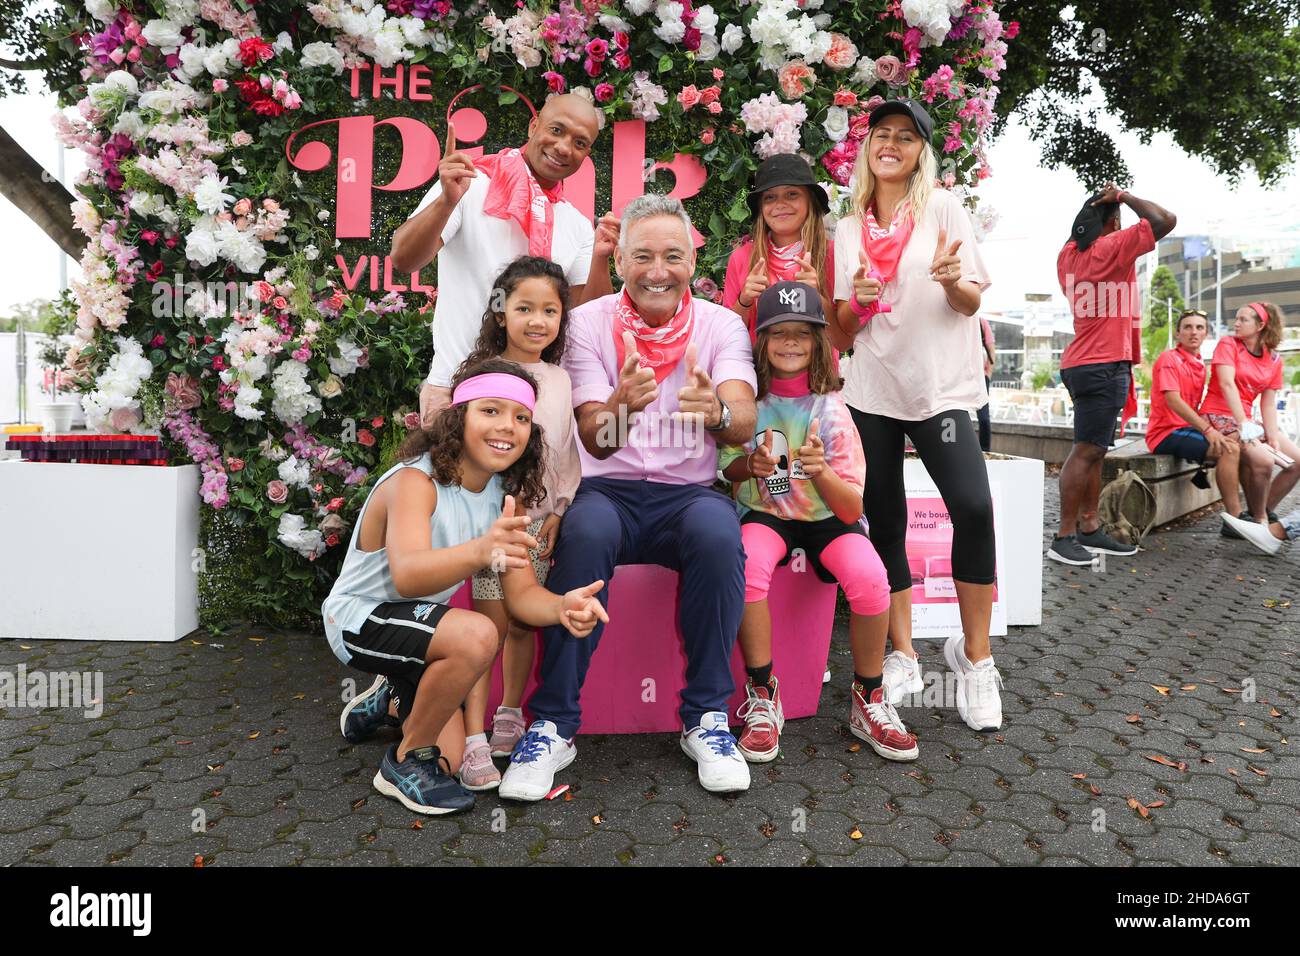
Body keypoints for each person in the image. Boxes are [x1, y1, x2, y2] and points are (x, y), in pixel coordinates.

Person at [497, 195, 759, 801]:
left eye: (673, 255)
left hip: (687, 494)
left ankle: (707, 719)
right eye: (642, 255)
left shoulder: (719, 325)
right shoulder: (588, 322)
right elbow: (597, 440)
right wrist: (623, 405)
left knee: (721, 536)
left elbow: (743, 421)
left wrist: (715, 410)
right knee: (584, 535)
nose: (657, 270)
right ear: (620, 263)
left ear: (695, 260)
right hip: (607, 491)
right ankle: (554, 724)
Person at [324, 359, 606, 815]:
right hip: (360, 619)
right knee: (478, 633)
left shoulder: (500, 496)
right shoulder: (416, 482)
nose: (507, 427)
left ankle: (389, 704)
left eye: (521, 417)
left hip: (420, 628)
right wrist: (481, 550)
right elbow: (409, 575)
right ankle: (403, 762)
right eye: (490, 411)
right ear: (458, 418)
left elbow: (521, 597)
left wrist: (561, 607)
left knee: (453, 761)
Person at [829, 98, 1002, 733]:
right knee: (886, 516)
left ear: (920, 152)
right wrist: (859, 303)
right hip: (872, 388)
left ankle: (975, 658)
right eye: (882, 134)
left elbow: (969, 301)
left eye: (905, 137)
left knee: (973, 507)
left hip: (943, 391)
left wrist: (955, 280)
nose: (891, 144)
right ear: (868, 147)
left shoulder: (943, 208)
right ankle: (901, 654)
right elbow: (841, 329)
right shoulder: (847, 228)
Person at [719, 282, 899, 763]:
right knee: (748, 563)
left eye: (803, 333)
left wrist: (819, 472)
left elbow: (849, 512)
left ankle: (869, 698)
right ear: (760, 341)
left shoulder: (832, 410)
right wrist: (748, 468)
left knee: (870, 579)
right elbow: (728, 469)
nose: (791, 342)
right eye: (779, 333)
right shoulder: (749, 404)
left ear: (820, 342)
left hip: (826, 519)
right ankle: (762, 695)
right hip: (768, 513)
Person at [389, 93, 620, 426]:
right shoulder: (470, 185)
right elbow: (403, 259)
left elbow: (585, 319)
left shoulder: (577, 225)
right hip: (456, 391)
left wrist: (601, 258)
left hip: (532, 402)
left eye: (580, 143)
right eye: (557, 130)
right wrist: (446, 203)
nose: (564, 147)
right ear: (533, 125)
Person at [445, 258, 583, 791]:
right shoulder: (481, 374)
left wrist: (560, 511)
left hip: (537, 524)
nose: (536, 321)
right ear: (502, 312)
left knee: (525, 622)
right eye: (524, 308)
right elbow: (458, 450)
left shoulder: (561, 380)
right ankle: (475, 735)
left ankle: (510, 713)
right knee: (488, 621)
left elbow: (567, 454)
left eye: (549, 310)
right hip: (491, 527)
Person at [1050, 182, 1176, 565]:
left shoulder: (1068, 255)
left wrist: (1091, 216)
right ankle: (1064, 537)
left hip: (1082, 363)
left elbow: (1081, 236)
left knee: (1093, 450)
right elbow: (1164, 220)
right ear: (1116, 222)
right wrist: (1121, 195)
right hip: (1103, 364)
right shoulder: (1112, 247)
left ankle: (1090, 527)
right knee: (1086, 451)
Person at [1201, 302, 1300, 553]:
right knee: (1265, 462)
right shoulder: (1228, 345)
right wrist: (1243, 423)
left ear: (1260, 325)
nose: (1236, 323)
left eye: (1243, 319)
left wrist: (1273, 436)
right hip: (1220, 414)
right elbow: (1226, 384)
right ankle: (1261, 523)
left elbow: (1267, 402)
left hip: (1247, 419)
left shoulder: (1273, 358)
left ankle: (1261, 512)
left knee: (1296, 462)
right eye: (1236, 318)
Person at [722, 153, 838, 345]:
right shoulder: (742, 257)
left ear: (810, 201)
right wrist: (745, 300)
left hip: (818, 373)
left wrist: (817, 297)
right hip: (757, 372)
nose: (780, 204)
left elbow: (843, 339)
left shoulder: (832, 254)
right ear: (761, 208)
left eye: (792, 194)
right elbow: (726, 339)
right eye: (769, 197)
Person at [1144, 309, 1242, 514]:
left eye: (1199, 328)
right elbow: (1173, 400)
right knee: (1228, 449)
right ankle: (1235, 518)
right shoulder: (1169, 359)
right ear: (1178, 333)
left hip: (1187, 429)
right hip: (1165, 433)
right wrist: (1208, 430)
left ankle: (1256, 512)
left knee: (1240, 441)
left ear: (1206, 334)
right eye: (1187, 327)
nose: (1193, 332)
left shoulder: (1199, 363)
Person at [977, 314, 996, 451]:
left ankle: (985, 451)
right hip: (957, 376)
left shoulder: (981, 323)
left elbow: (991, 351)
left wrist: (988, 375)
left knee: (983, 418)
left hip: (980, 377)